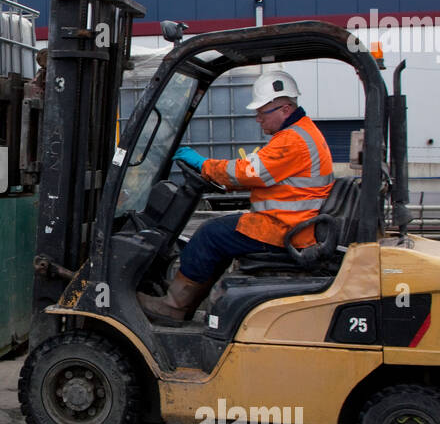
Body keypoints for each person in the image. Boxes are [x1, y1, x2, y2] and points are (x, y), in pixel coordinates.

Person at [137, 69, 334, 322]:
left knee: (210, 233)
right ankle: (185, 301)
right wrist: (216, 174)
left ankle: (174, 306)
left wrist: (204, 165)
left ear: (285, 109)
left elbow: (247, 173)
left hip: (285, 228)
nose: (258, 119)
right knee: (219, 237)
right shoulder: (298, 134)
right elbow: (259, 176)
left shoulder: (293, 141)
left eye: (262, 113)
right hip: (289, 222)